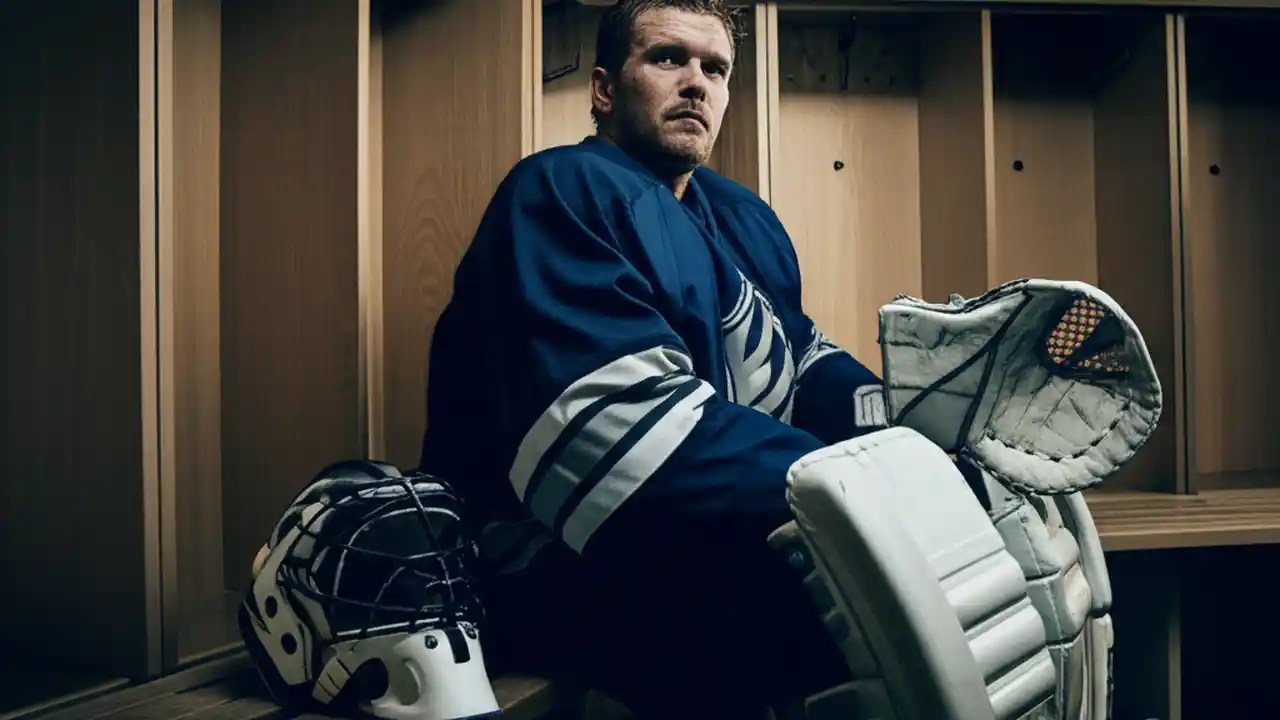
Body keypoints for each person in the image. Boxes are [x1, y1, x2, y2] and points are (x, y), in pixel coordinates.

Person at [418, 1, 907, 716]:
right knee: (810, 617)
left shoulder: (743, 218)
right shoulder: (558, 191)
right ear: (605, 89)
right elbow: (629, 437)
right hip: (538, 558)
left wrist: (915, 432)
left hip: (695, 539)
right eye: (668, 59)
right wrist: (870, 487)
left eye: (715, 69)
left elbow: (804, 364)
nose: (696, 84)